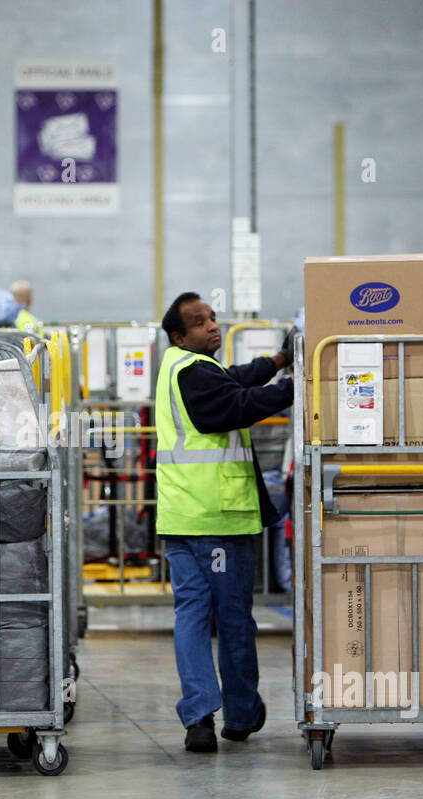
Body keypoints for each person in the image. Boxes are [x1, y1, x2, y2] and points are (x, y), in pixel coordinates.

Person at [156, 292, 292, 752]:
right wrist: (302, 384)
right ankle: (239, 715)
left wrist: (277, 360)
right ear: (180, 335)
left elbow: (234, 380)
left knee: (191, 617)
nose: (212, 326)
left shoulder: (182, 367)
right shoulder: (193, 372)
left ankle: (198, 718)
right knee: (233, 619)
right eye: (199, 322)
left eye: (213, 318)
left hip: (181, 518)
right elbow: (234, 406)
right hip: (219, 519)